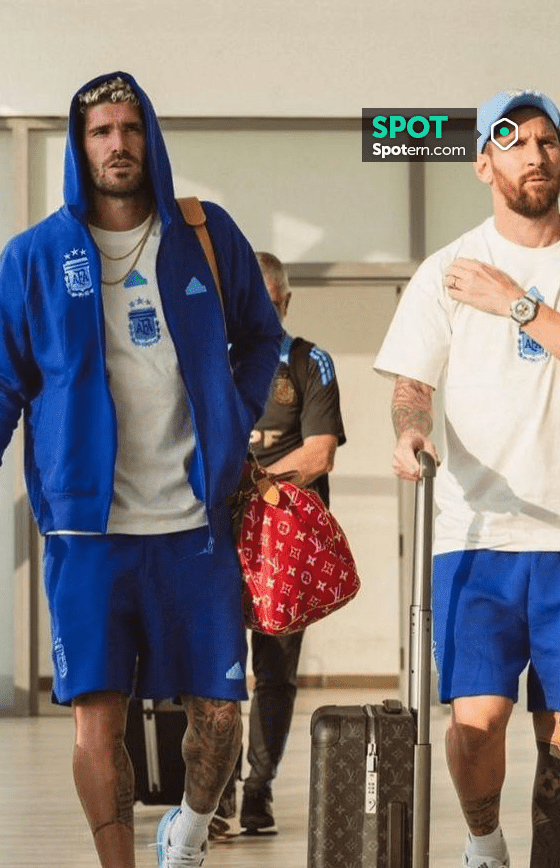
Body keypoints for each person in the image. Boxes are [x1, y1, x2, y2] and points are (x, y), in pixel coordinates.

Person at [0, 72, 282, 868]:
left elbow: (261, 337)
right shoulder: (34, 257)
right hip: (87, 531)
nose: (116, 145)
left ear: (149, 136)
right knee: (98, 719)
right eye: (100, 132)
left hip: (195, 523)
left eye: (129, 129)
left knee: (222, 717)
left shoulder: (204, 234)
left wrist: (232, 411)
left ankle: (189, 834)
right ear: (79, 144)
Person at [373, 89, 560, 868]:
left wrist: (515, 302)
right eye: (515, 141)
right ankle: (486, 846)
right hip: (474, 532)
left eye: (548, 141)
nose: (536, 154)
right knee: (475, 725)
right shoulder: (443, 271)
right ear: (483, 163)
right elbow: (412, 382)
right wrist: (410, 428)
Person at [221, 252, 347, 835]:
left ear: (285, 303)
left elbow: (319, 452)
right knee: (214, 668)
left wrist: (256, 484)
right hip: (219, 539)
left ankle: (257, 791)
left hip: (285, 547)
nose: (259, 312)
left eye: (270, 302)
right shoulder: (211, 361)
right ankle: (212, 791)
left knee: (274, 673)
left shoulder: (307, 361)